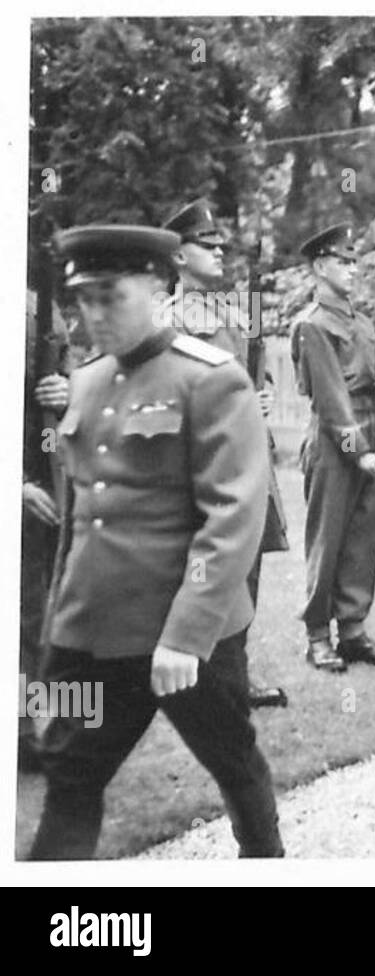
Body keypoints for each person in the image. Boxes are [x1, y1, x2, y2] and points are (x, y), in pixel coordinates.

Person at [30, 225, 282, 859]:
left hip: (190, 641)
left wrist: (186, 635)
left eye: (110, 297)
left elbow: (230, 516)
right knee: (70, 776)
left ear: (157, 289)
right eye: (83, 300)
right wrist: (56, 639)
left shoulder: (212, 379)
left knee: (234, 763)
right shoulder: (84, 384)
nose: (93, 315)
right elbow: (81, 521)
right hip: (94, 636)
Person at [162, 198, 288, 708]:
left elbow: (260, 374)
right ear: (177, 256)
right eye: (205, 245)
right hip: (210, 461)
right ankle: (205, 667)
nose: (218, 253)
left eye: (220, 246)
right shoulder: (168, 318)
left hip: (249, 459)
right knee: (213, 567)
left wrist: (265, 393)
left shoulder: (233, 312)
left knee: (250, 560)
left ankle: (236, 669)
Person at [291, 223, 375, 671]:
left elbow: (368, 378)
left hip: (369, 428)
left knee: (363, 539)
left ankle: (353, 631)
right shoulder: (312, 325)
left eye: (355, 260)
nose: (353, 269)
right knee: (328, 539)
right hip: (335, 440)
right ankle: (318, 635)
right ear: (321, 266)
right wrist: (359, 451)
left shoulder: (359, 322)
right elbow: (329, 398)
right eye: (343, 261)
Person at [21, 290, 70, 771]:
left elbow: (75, 380)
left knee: (44, 613)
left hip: (51, 479)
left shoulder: (43, 306)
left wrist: (67, 390)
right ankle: (19, 732)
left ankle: (45, 724)